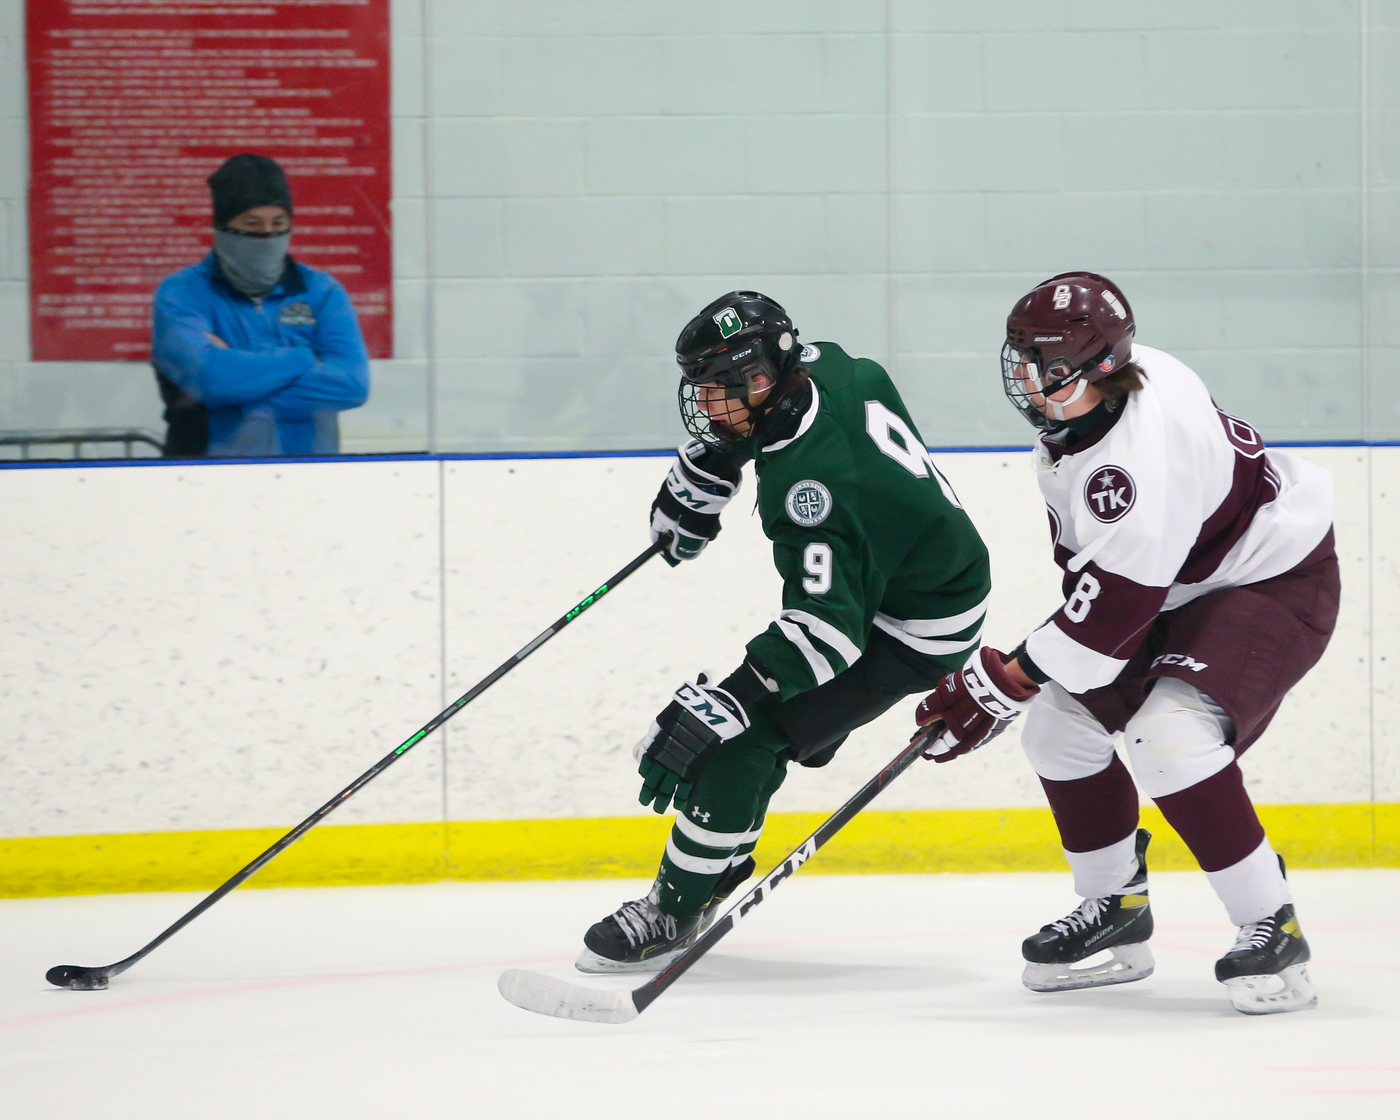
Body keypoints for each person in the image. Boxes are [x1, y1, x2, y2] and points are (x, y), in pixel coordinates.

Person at [912, 272, 1337, 1015]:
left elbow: (1107, 619)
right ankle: (1116, 908)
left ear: (1100, 369)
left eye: (1044, 367)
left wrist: (999, 682)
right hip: (1179, 583)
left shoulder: (1133, 467)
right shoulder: (1104, 406)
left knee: (1168, 740)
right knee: (1056, 730)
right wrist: (1018, 684)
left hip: (1273, 579)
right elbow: (1102, 597)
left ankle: (1272, 921)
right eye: (1020, 360)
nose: (1025, 380)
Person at [577, 291, 992, 973]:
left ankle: (676, 909)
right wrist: (724, 457)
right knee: (759, 724)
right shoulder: (834, 367)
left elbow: (830, 632)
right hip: (905, 570)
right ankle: (736, 834)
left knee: (738, 737)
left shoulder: (813, 490)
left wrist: (735, 697)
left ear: (764, 380)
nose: (707, 408)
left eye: (718, 393)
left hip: (914, 624)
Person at [151, 153, 370, 457]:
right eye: (252, 224)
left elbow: (352, 385)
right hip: (206, 474)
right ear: (223, 226)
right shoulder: (182, 294)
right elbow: (211, 380)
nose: (267, 235)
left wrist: (237, 383)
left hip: (309, 475)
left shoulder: (322, 291)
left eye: (278, 223)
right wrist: (303, 358)